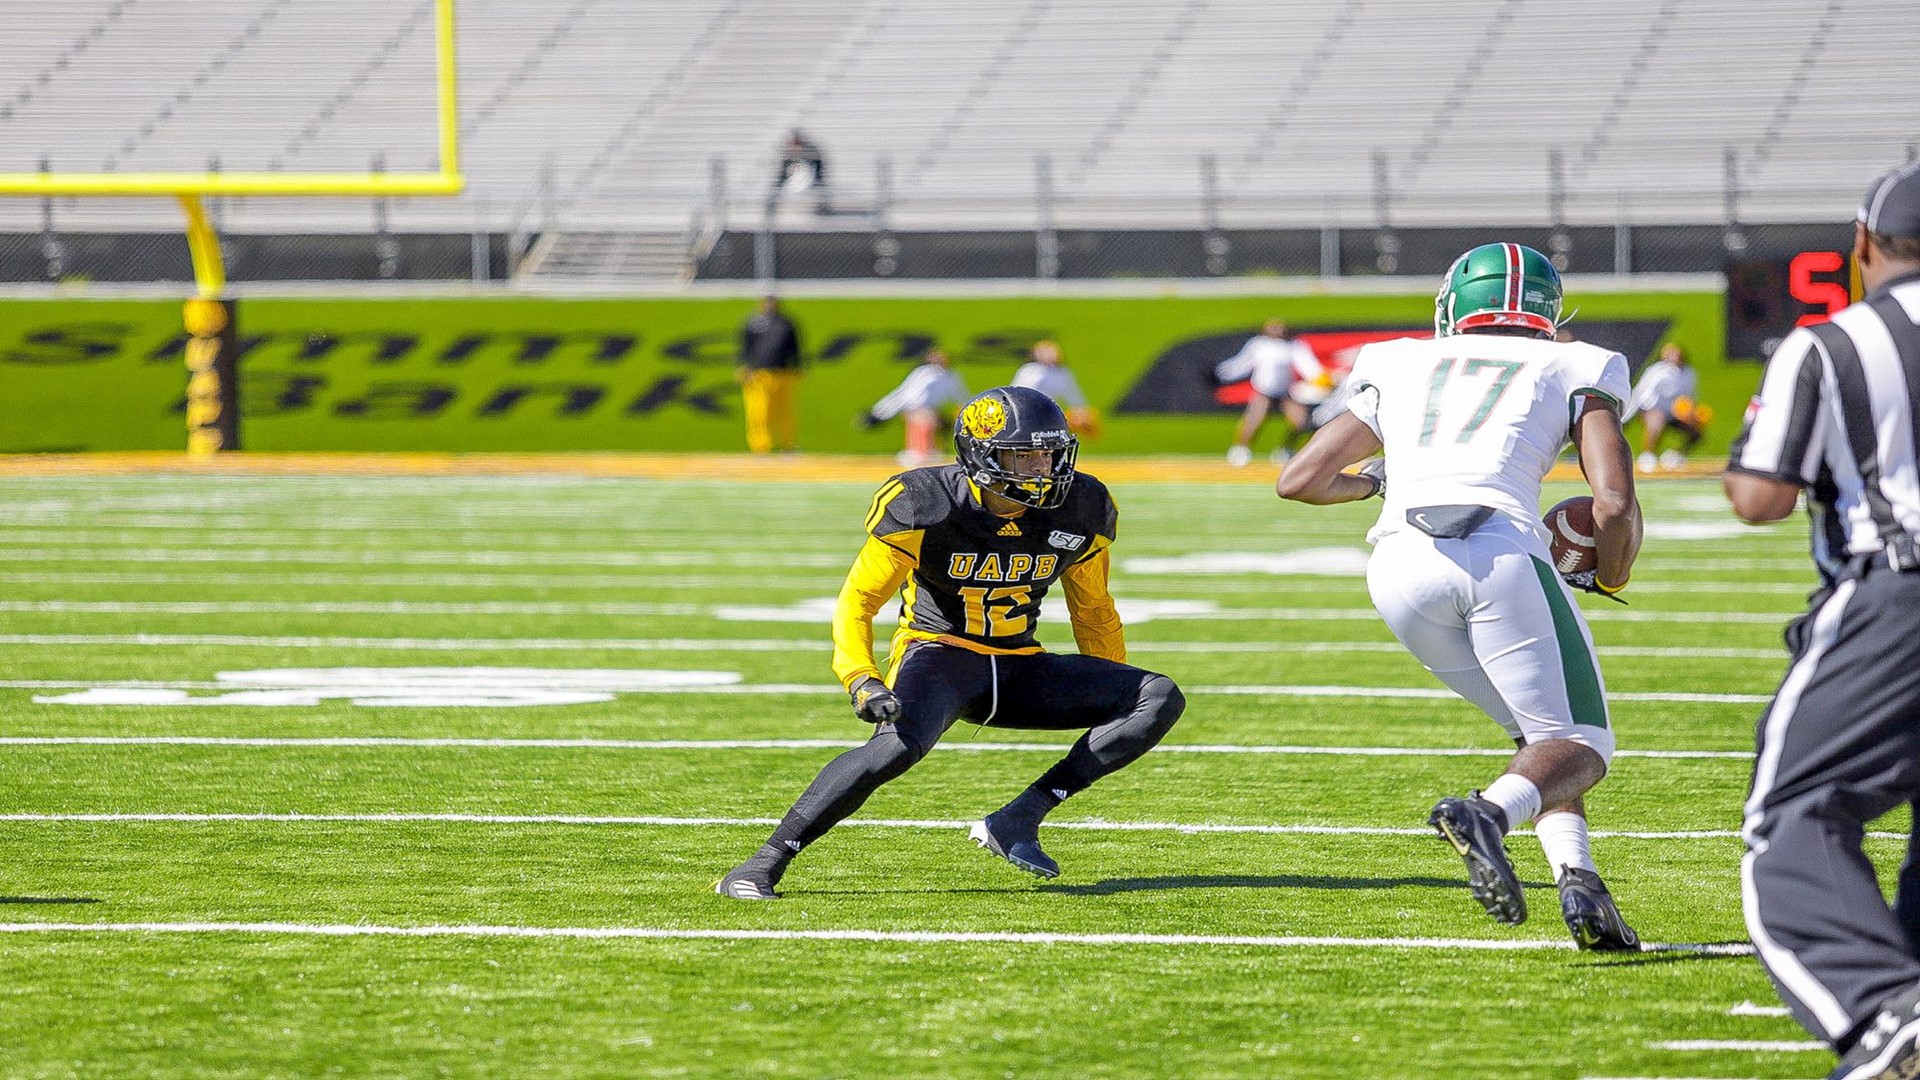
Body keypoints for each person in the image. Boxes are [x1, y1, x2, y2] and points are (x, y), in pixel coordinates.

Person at [1276, 242, 1643, 950]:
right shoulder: (1579, 362)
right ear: (1547, 311)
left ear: (1452, 306)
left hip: (1398, 567)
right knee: (1582, 741)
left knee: (1540, 739)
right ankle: (1485, 815)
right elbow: (1615, 502)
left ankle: (1582, 883)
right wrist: (1613, 573)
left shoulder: (1399, 358)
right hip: (1497, 550)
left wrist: (1377, 482)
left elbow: (1303, 479)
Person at [715, 385, 1186, 899]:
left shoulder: (1082, 507)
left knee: (1156, 696)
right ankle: (764, 861)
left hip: (1019, 664)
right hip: (940, 655)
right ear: (983, 456)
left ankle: (1019, 818)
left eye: (1049, 453)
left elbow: (1093, 608)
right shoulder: (925, 504)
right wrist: (860, 678)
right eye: (1024, 454)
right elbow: (859, 601)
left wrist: (1107, 684)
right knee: (893, 750)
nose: (1042, 467)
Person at [1724, 162, 1920, 1080]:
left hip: (1899, 598)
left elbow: (1760, 497)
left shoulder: (1834, 343)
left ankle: (1886, 1009)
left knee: (1793, 818)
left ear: (1863, 246)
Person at [1215, 320, 1330, 466]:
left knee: (1301, 422)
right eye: (1273, 327)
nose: (1278, 330)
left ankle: (1286, 449)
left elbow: (1308, 366)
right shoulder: (1258, 344)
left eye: (1281, 327)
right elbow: (1241, 364)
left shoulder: (1294, 345)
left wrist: (1320, 378)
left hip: (1286, 393)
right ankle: (1241, 450)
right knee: (1254, 420)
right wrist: (1221, 374)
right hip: (1264, 392)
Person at [861, 347, 969, 467]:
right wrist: (880, 412)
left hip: (932, 408)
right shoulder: (924, 373)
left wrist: (967, 409)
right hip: (914, 407)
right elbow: (904, 393)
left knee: (936, 422)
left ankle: (929, 451)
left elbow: (961, 395)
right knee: (924, 421)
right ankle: (917, 452)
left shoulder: (952, 376)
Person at [1627, 343, 1712, 472]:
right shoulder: (1656, 370)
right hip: (1653, 410)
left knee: (1696, 433)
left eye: (1676, 354)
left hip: (1676, 413)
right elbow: (1642, 394)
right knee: (1657, 421)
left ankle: (1674, 455)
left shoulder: (1690, 373)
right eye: (1670, 353)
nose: (1674, 357)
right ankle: (1648, 455)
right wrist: (1628, 415)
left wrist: (1690, 413)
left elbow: (1690, 397)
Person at [737, 295, 803, 454]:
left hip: (783, 372)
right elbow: (745, 347)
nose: (769, 305)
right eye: (766, 302)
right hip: (759, 374)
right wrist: (745, 367)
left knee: (784, 412)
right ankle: (761, 446)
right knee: (758, 413)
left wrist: (797, 366)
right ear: (760, 304)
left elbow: (795, 346)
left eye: (772, 302)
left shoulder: (786, 323)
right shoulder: (752, 323)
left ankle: (788, 445)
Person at [1012, 340, 1100, 438]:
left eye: (1052, 351)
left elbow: (1074, 397)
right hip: (1025, 414)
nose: (1050, 354)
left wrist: (1082, 413)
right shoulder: (1029, 370)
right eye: (1045, 351)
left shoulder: (1062, 372)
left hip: (1048, 415)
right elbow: (1017, 395)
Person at [773, 129, 830, 215]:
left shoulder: (811, 152)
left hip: (809, 178)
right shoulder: (788, 155)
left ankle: (821, 208)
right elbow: (783, 173)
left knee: (819, 188)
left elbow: (818, 169)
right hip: (794, 181)